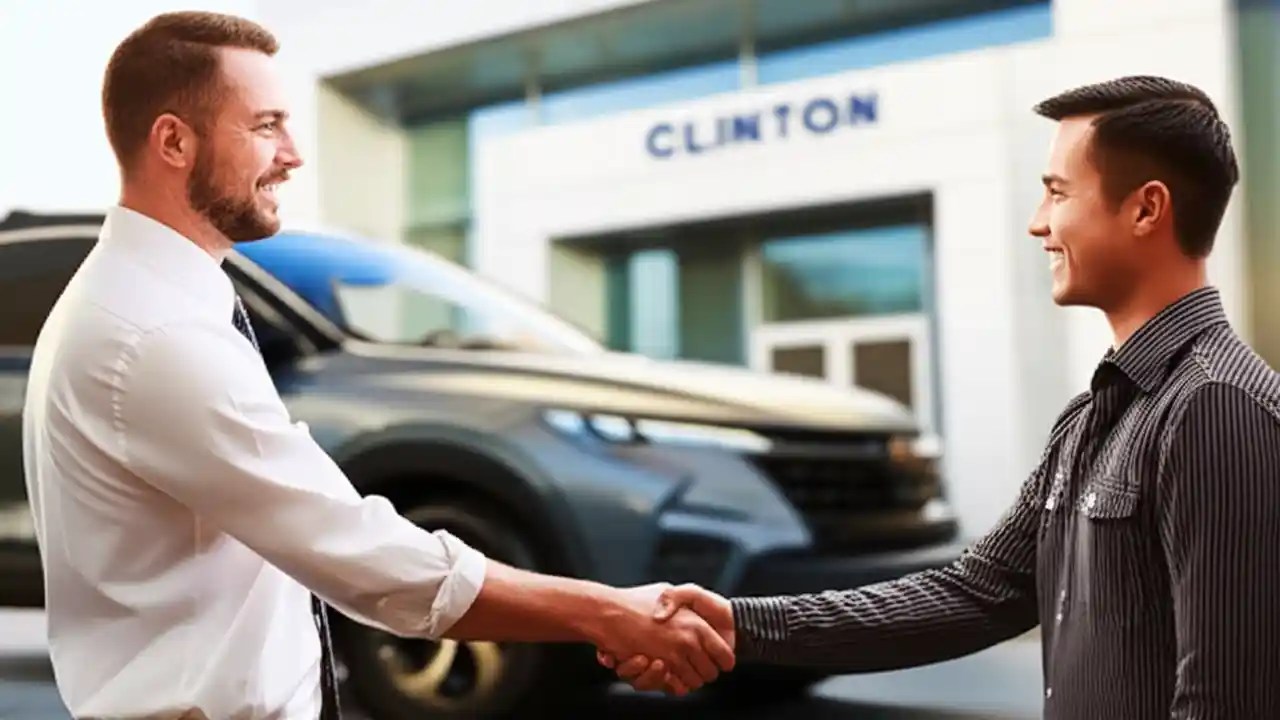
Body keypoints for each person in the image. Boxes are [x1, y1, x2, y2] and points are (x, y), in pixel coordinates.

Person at [21, 11, 732, 719]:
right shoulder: (151, 334)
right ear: (174, 140)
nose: (293, 154)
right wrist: (606, 613)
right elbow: (362, 554)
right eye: (266, 126)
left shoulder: (144, 304)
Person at [604, 75, 1280, 718]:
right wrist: (739, 623)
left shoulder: (1216, 408)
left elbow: (1231, 702)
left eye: (1057, 193)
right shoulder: (1093, 417)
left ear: (1146, 208)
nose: (1038, 223)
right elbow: (969, 594)